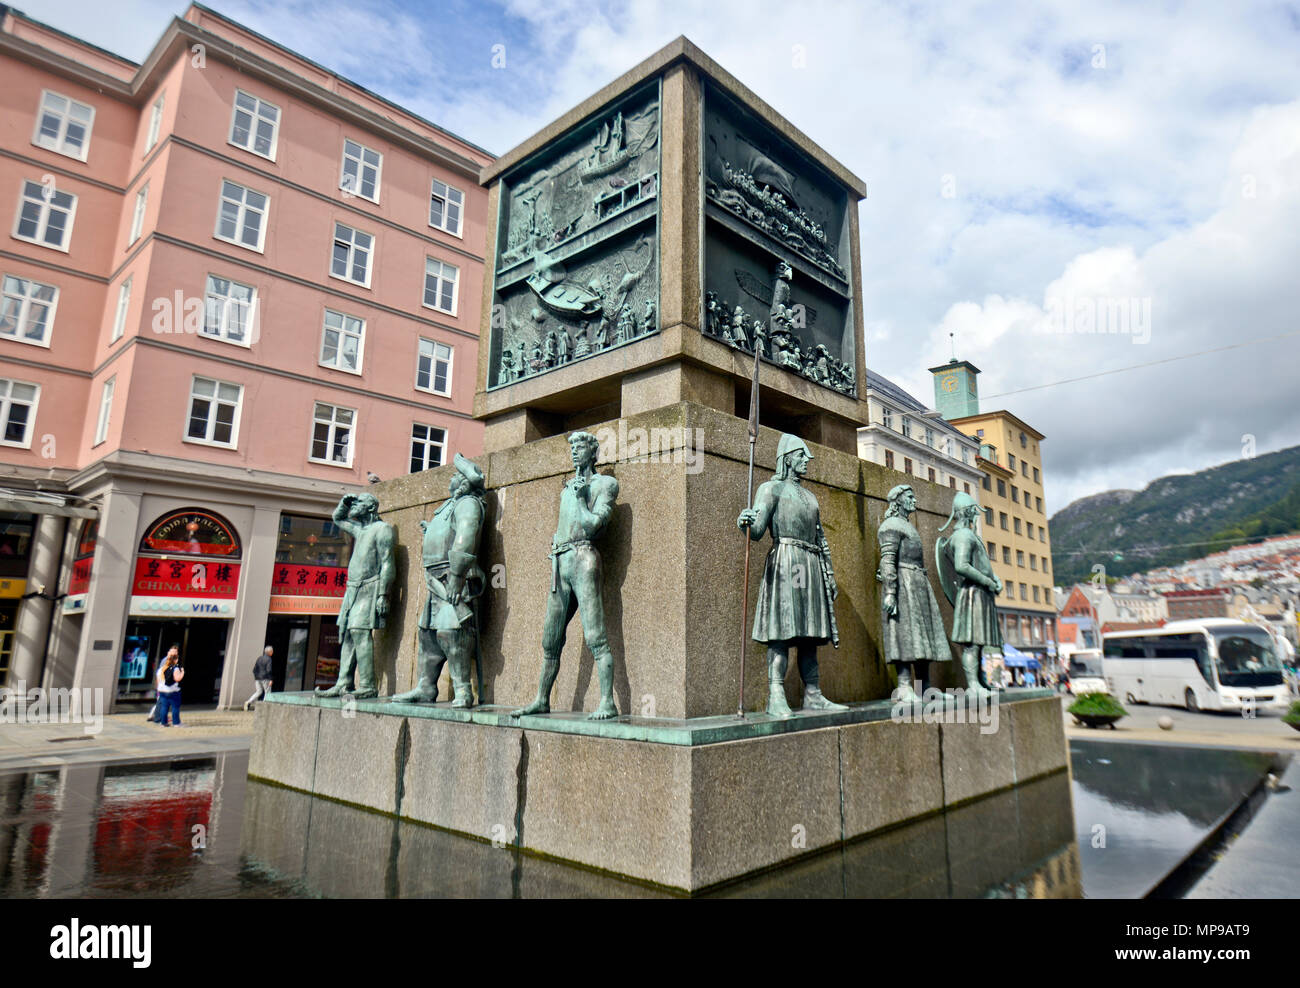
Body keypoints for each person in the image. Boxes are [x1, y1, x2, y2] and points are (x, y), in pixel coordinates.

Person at [512, 431, 620, 720]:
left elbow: (594, 525)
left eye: (580, 446)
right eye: (571, 447)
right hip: (560, 563)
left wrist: (583, 499)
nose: (574, 452)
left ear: (593, 452)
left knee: (595, 635)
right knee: (551, 638)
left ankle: (608, 702)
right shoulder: (566, 488)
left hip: (585, 558)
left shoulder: (605, 484)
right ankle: (541, 698)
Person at [737, 433, 846, 717]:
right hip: (785, 560)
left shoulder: (810, 497)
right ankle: (776, 693)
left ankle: (814, 693)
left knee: (810, 633)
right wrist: (745, 521)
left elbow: (821, 538)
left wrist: (829, 574)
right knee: (783, 630)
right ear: (787, 460)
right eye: (800, 457)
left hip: (809, 564)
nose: (805, 462)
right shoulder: (769, 489)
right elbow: (758, 530)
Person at [392, 454, 487, 706]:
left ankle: (463, 690)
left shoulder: (468, 503)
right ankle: (425, 686)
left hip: (453, 576)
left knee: (451, 632)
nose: (453, 479)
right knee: (427, 635)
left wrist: (457, 577)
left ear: (466, 483)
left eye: (457, 475)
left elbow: (465, 537)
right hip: (434, 579)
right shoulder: (448, 505)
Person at [316, 493, 395, 699]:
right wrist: (344, 502)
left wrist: (383, 595)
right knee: (349, 634)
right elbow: (338, 519)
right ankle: (343, 683)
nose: (354, 506)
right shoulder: (360, 530)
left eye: (359, 503)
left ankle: (368, 684)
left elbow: (388, 562)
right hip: (352, 590)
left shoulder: (382, 529)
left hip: (370, 588)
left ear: (370, 508)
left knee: (360, 632)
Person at [155, 645, 185, 727]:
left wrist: (158, 688)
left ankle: (163, 723)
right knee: (175, 707)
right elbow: (177, 678)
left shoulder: (161, 669)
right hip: (172, 691)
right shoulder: (175, 668)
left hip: (162, 690)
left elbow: (158, 679)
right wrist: (182, 672)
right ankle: (176, 723)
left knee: (164, 707)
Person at [243, 646, 274, 711]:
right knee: (267, 692)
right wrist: (271, 679)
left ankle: (248, 702)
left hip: (257, 678)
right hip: (266, 678)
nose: (273, 652)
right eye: (272, 651)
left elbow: (254, 670)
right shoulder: (269, 659)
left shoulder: (259, 658)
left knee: (259, 691)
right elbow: (269, 670)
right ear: (270, 652)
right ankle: (265, 707)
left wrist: (257, 677)